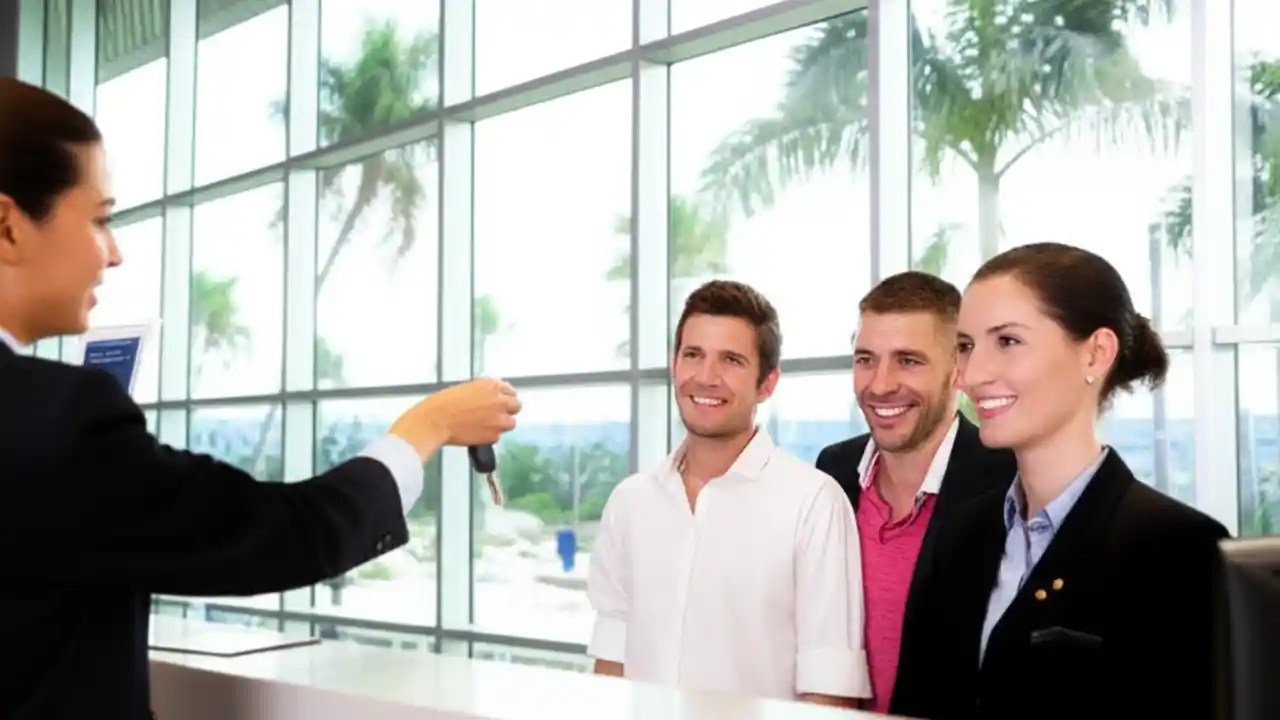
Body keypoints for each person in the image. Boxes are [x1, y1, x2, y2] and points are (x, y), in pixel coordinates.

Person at [0, 77, 521, 719]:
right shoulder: (55, 420)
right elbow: (280, 534)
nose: (114, 254)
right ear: (8, 226)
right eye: (100, 220)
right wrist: (427, 426)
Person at [891, 243, 1229, 719]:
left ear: (1096, 354)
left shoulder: (1177, 547)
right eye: (966, 347)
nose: (971, 374)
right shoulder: (960, 534)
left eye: (1007, 341)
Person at [586, 280, 870, 706]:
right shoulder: (630, 503)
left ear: (767, 383)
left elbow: (830, 687)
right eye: (693, 355)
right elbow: (612, 660)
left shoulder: (813, 504)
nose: (706, 377)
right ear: (674, 364)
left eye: (731, 360)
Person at [815, 271, 1014, 712]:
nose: (880, 384)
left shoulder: (1008, 484)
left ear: (958, 369)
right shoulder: (832, 472)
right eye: (866, 359)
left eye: (908, 361)